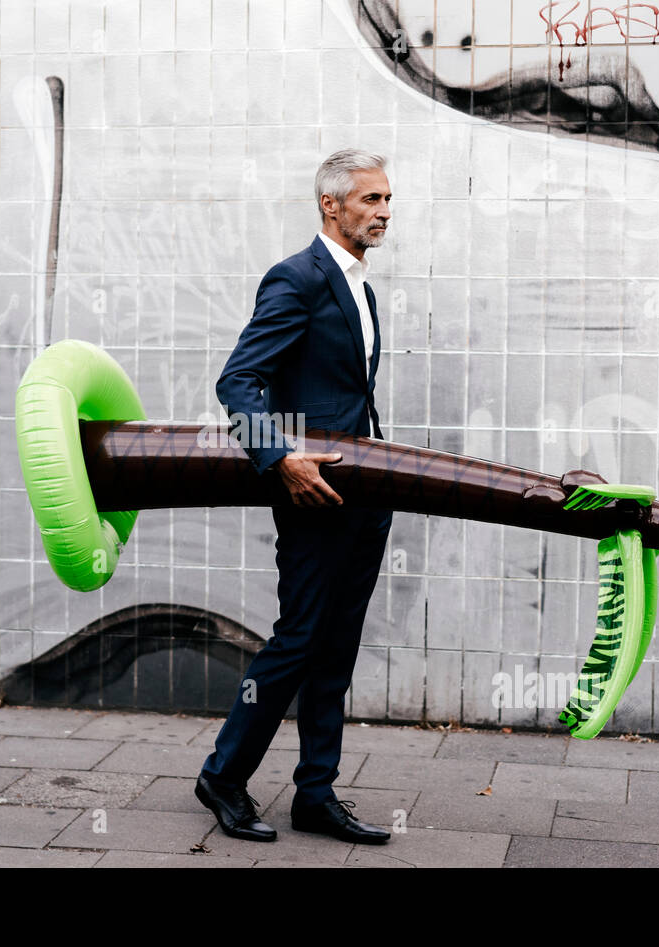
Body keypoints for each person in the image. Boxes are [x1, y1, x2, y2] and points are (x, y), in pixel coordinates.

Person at [195, 148, 395, 844]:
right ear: (330, 204)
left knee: (337, 645)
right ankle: (224, 773)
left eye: (386, 199)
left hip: (363, 495)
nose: (384, 212)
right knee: (299, 638)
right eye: (370, 199)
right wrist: (281, 459)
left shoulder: (362, 290)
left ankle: (316, 791)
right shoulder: (298, 278)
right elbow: (238, 382)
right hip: (311, 497)